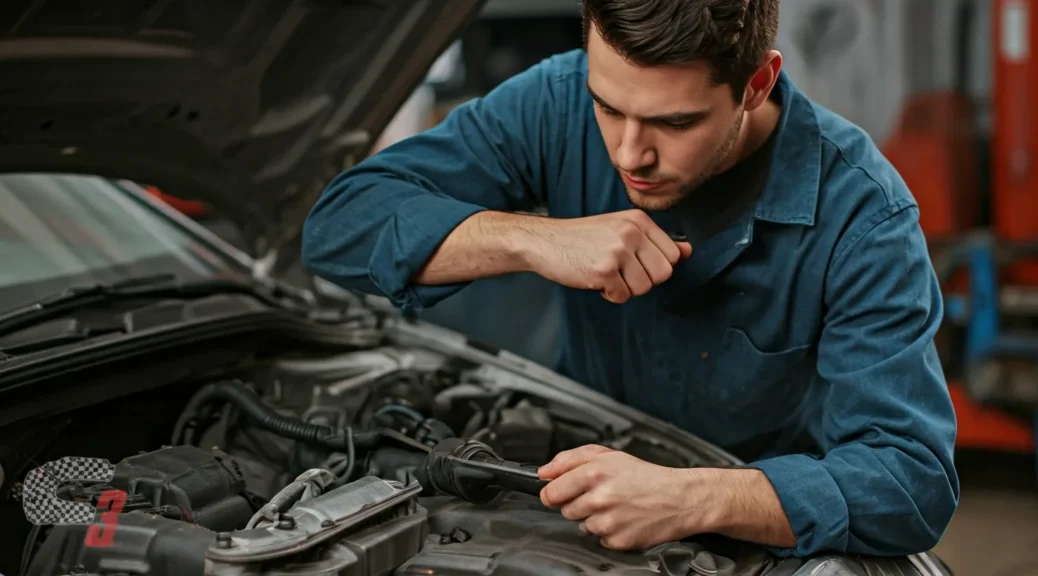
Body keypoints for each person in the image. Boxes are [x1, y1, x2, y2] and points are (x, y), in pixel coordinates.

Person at [301, 0, 959, 559]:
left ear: (757, 83)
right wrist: (532, 239)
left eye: (675, 123)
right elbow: (339, 224)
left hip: (758, 539)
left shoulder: (864, 216)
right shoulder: (555, 102)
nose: (629, 153)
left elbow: (909, 479)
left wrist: (692, 496)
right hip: (578, 504)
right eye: (608, 108)